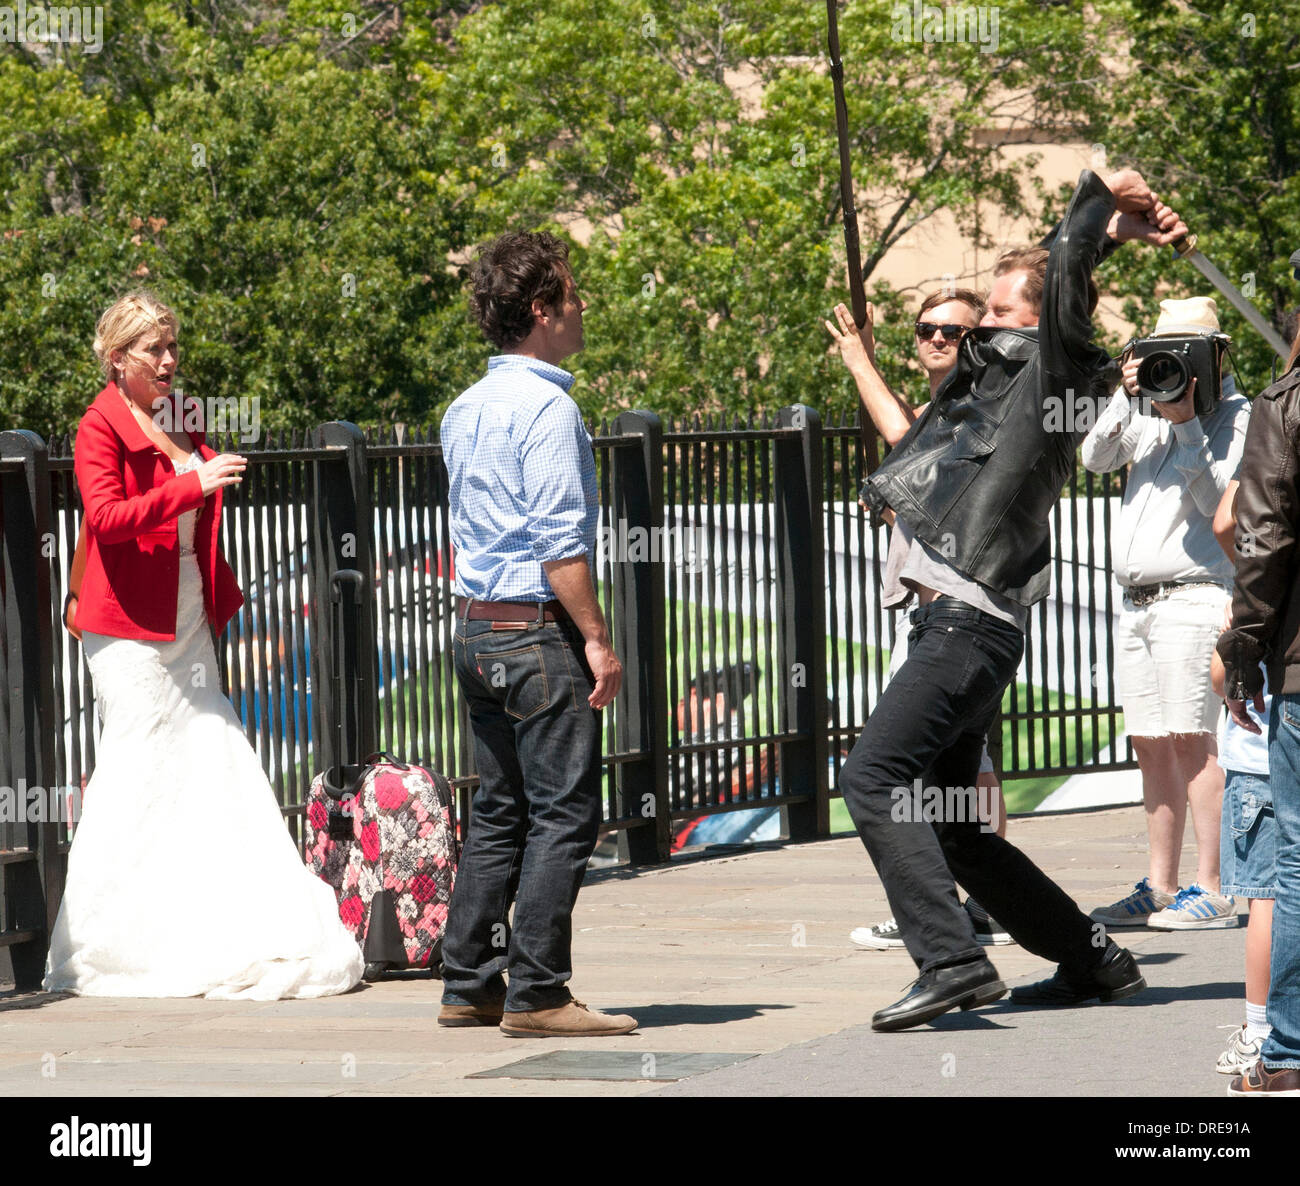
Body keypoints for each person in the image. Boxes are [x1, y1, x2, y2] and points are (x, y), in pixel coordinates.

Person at [835, 167, 1187, 1032]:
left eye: (995, 311)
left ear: (1041, 322)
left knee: (873, 777)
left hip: (966, 623)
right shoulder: (1001, 388)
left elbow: (1065, 268)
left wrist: (1105, 196)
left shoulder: (1050, 368)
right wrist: (1117, 235)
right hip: (962, 622)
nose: (979, 324)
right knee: (957, 825)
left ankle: (953, 962)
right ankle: (1091, 960)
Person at [44, 291, 363, 1000]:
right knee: (137, 770)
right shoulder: (97, 426)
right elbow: (107, 518)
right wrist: (192, 482)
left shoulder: (181, 415)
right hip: (126, 627)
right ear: (117, 358)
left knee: (211, 761)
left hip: (188, 617)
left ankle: (217, 927)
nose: (167, 361)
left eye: (172, 347)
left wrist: (198, 478)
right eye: (153, 350)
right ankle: (108, 948)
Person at [437, 230, 636, 1038]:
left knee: (500, 810)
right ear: (542, 310)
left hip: (477, 631)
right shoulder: (549, 408)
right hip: (537, 635)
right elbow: (561, 546)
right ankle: (539, 992)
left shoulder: (465, 406)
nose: (583, 306)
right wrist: (596, 636)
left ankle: (471, 980)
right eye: (573, 294)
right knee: (565, 814)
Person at [827, 285, 1011, 949]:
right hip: (942, 613)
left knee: (883, 770)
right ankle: (970, 907)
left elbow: (907, 444)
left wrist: (858, 363)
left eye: (954, 331)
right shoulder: (946, 402)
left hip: (964, 616)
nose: (937, 339)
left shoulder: (979, 398)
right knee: (950, 770)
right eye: (927, 328)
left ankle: (946, 920)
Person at [1081, 298, 1249, 929]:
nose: (1170, 366)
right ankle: (1161, 884)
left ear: (1215, 354)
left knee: (1194, 741)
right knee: (1152, 744)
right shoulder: (1147, 406)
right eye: (1159, 353)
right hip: (1137, 603)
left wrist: (1185, 424)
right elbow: (1095, 458)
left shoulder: (1240, 418)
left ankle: (1214, 886)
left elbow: (1220, 506)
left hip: (1195, 594)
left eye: (1182, 354)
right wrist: (1130, 396)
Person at [1218, 321, 1300, 1094]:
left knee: (1297, 862)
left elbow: (1263, 539)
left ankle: (1289, 1051)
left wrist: (1242, 651)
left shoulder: (1285, 403)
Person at [1208, 478, 1275, 1075]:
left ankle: (1260, 1032)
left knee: (1266, 900)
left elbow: (1224, 521)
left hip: (1258, 761)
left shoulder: (1252, 590)